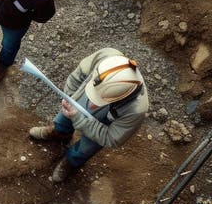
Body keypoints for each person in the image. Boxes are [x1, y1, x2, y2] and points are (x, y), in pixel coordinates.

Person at [28, 48, 149, 183]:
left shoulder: (136, 109)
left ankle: (71, 161)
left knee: (86, 148)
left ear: (122, 97)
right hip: (78, 101)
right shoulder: (106, 56)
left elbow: (111, 138)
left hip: (103, 125)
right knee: (63, 118)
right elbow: (77, 76)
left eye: (100, 99)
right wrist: (70, 95)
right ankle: (58, 133)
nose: (91, 105)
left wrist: (79, 119)